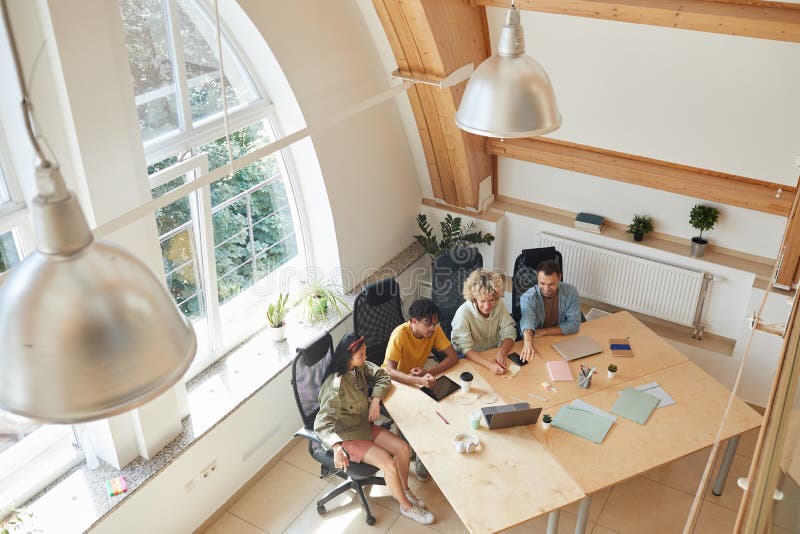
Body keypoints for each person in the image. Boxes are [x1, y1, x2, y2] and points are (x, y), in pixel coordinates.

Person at [314, 333, 434, 525]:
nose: (365, 357)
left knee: (403, 449)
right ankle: (406, 507)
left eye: (365, 353)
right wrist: (337, 447)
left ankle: (403, 490)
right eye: (361, 354)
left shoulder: (358, 367)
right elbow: (322, 423)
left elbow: (382, 375)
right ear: (348, 357)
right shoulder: (335, 385)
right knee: (388, 464)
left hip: (363, 425)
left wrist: (375, 400)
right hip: (347, 436)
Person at [383, 299, 458, 481]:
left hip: (416, 380)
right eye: (427, 323)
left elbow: (453, 357)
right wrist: (418, 380)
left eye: (435, 323)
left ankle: (422, 458)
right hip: (393, 384)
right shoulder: (400, 334)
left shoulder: (434, 330)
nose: (432, 328)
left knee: (439, 409)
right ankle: (406, 442)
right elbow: (389, 371)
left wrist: (428, 372)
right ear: (413, 321)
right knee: (420, 418)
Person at [450, 269, 517, 375]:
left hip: (492, 353)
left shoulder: (499, 305)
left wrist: (502, 351)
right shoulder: (463, 313)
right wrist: (490, 365)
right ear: (474, 298)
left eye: (491, 300)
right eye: (482, 301)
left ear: (496, 297)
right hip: (468, 357)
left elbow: (509, 330)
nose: (487, 306)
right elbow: (466, 349)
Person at [519, 259, 581, 361]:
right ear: (537, 279)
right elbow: (527, 323)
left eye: (551, 284)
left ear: (559, 278)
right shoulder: (528, 297)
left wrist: (544, 331)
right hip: (540, 342)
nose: (546, 288)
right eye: (542, 283)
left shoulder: (570, 292)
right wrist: (528, 342)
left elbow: (574, 324)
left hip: (560, 339)